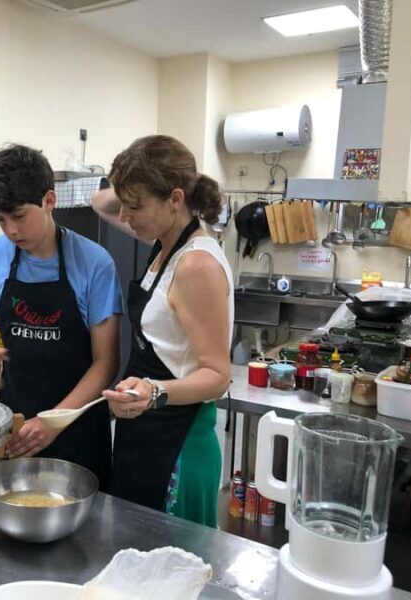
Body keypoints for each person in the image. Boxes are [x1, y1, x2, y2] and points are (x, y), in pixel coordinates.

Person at [0, 144, 123, 489]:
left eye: (18, 216)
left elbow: (106, 363)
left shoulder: (94, 263)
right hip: (16, 425)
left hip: (78, 425)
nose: (11, 230)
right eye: (1, 220)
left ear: (49, 201)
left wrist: (54, 421)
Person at [92, 135, 233, 526]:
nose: (124, 216)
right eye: (125, 204)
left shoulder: (196, 265)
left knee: (172, 573)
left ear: (175, 199)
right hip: (146, 429)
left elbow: (218, 376)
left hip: (179, 443)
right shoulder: (163, 242)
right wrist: (132, 172)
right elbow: (97, 203)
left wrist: (153, 392)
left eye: (135, 206)